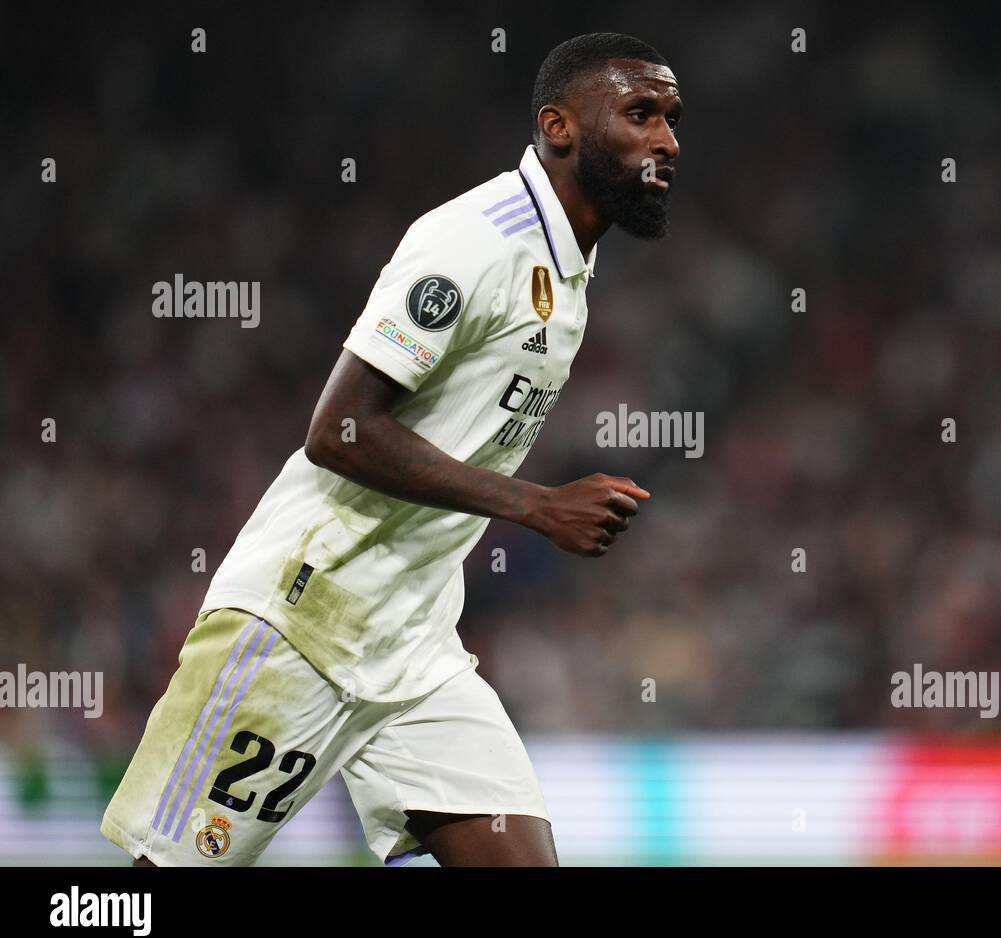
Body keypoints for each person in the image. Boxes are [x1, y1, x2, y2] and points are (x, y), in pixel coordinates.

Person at [100, 31, 683, 866]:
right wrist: (537, 505)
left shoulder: (571, 272)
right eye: (641, 114)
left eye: (671, 118)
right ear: (559, 126)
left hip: (414, 646)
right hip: (306, 618)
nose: (667, 140)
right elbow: (338, 429)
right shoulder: (478, 241)